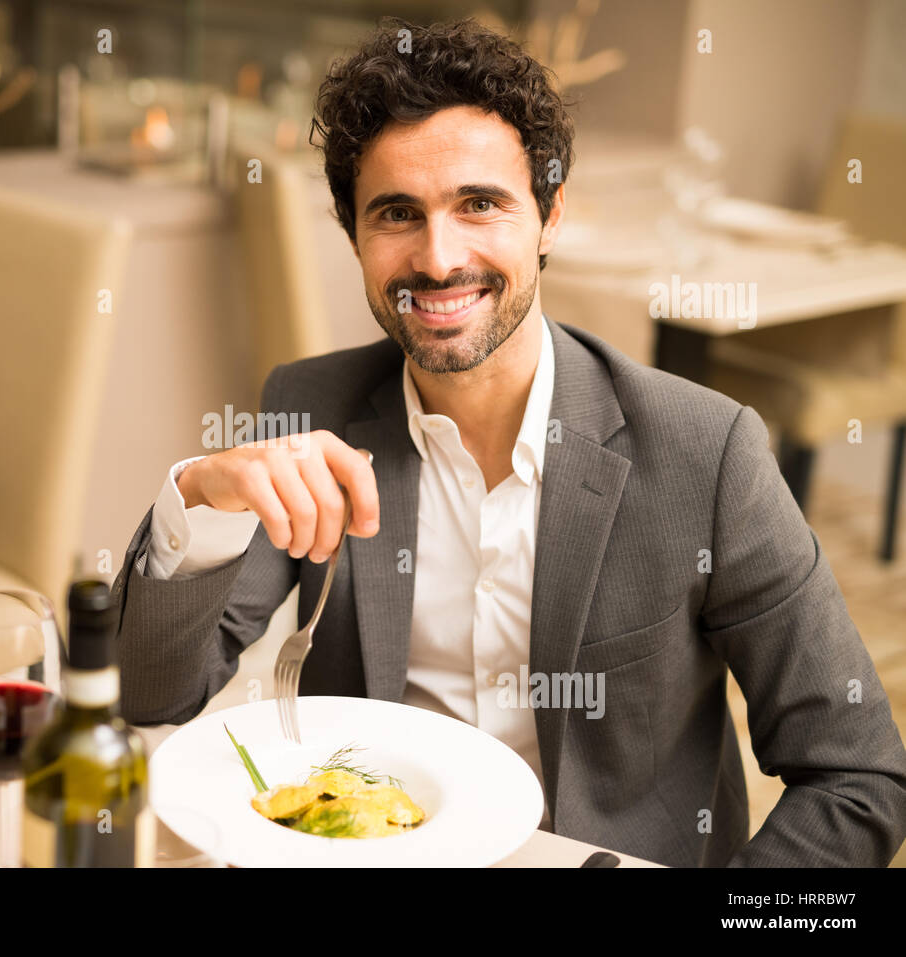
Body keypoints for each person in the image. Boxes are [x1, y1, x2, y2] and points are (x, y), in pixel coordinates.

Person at [109, 17, 906, 867]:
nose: (438, 257)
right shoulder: (308, 406)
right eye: (396, 214)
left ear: (549, 215)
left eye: (479, 204)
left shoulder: (706, 456)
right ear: (354, 237)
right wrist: (201, 494)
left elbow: (859, 776)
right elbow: (152, 690)